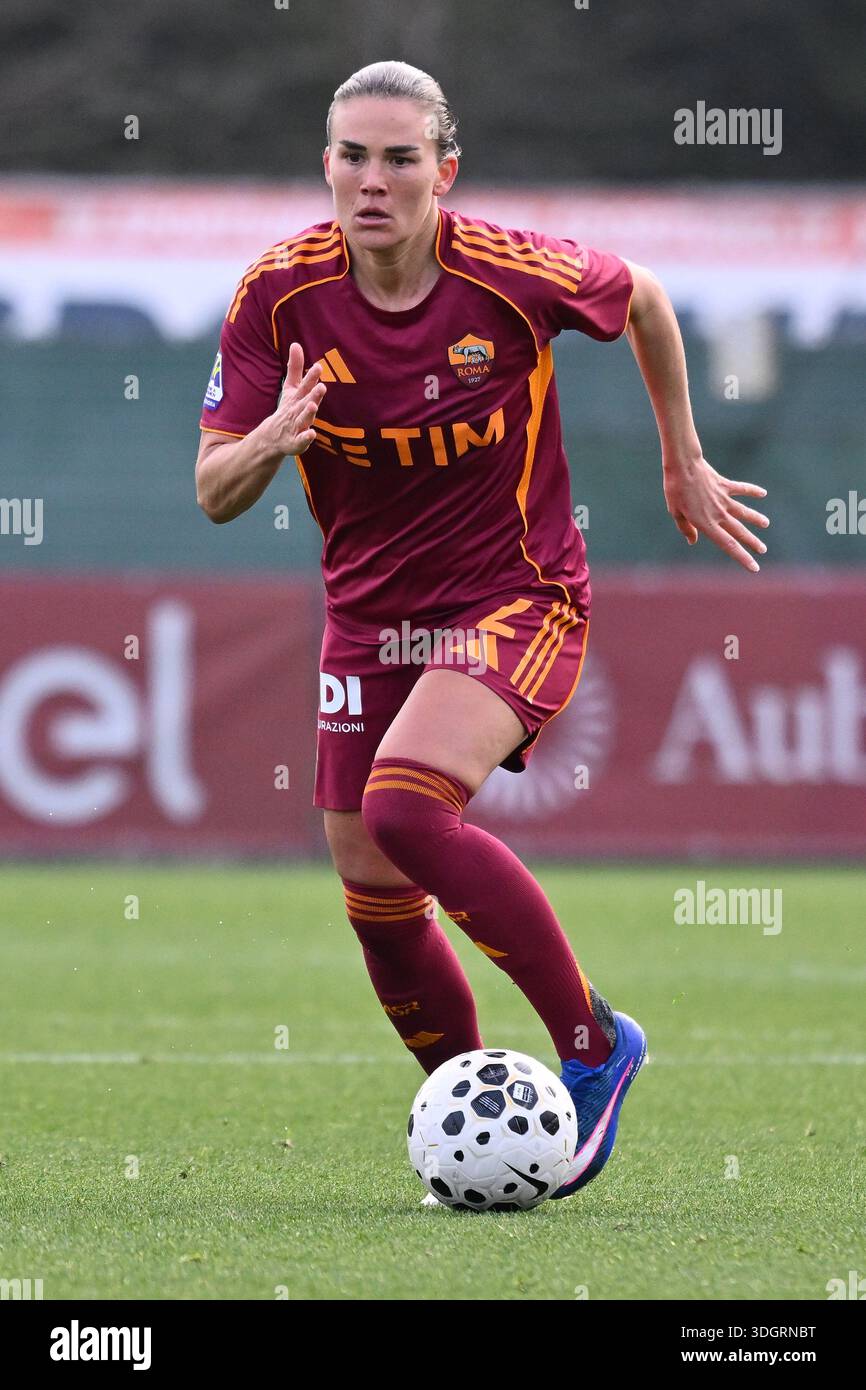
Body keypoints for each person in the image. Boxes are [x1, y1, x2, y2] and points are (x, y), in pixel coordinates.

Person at [195, 60, 769, 1199]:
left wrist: (680, 453)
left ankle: (595, 1043)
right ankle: (478, 1119)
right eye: (351, 156)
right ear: (325, 167)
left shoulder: (507, 274)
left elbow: (644, 298)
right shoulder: (276, 295)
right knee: (370, 884)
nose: (372, 180)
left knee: (405, 805)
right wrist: (274, 439)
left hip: (516, 596)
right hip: (366, 616)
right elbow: (213, 489)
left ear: (441, 172)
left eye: (399, 158)